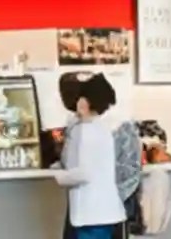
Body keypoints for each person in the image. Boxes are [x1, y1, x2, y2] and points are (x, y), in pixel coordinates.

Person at [55, 74, 125, 239]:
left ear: (84, 103)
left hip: (92, 216)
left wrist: (58, 177)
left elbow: (84, 173)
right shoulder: (98, 128)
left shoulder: (87, 132)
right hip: (101, 213)